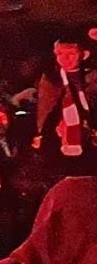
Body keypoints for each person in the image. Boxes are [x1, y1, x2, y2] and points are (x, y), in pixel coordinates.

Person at [34, 37, 97, 178]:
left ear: (84, 54)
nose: (65, 59)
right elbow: (45, 111)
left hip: (89, 142)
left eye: (71, 54)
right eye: (60, 54)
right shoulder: (51, 79)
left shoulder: (91, 77)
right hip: (58, 142)